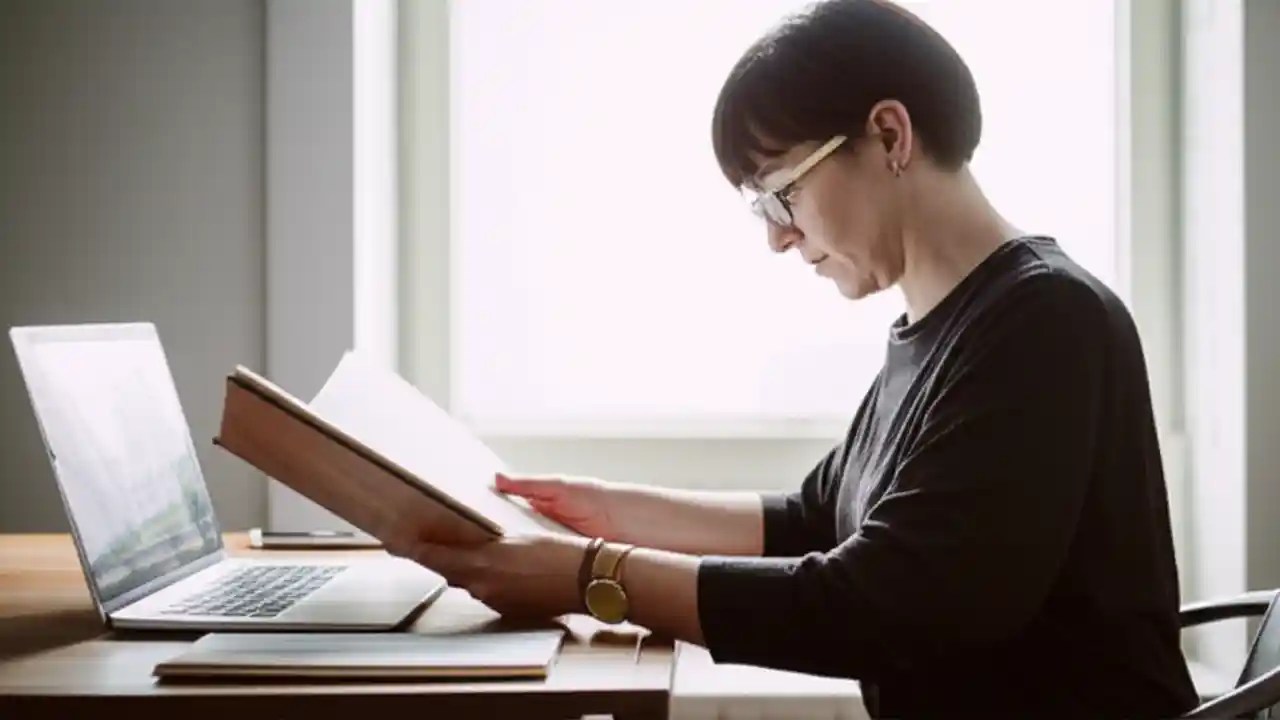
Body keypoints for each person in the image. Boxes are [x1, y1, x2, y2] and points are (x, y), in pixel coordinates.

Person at [394, 1, 1199, 717]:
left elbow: (884, 603)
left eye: (781, 193)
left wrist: (590, 576)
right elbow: (817, 518)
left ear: (889, 133)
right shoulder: (937, 328)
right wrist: (602, 510)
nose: (778, 237)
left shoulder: (1043, 323)